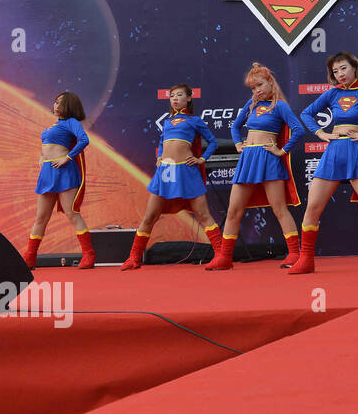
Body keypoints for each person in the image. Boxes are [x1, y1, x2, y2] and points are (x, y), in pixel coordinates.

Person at [296, 53, 358, 275]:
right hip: (333, 152)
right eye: (335, 71)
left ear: (354, 68)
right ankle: (306, 259)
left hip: (357, 152)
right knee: (312, 207)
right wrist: (321, 133)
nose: (339, 74)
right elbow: (306, 113)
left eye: (343, 69)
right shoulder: (332, 94)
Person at [209, 63, 306, 271]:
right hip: (248, 159)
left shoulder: (280, 106)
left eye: (259, 85)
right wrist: (237, 144)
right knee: (234, 210)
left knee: (279, 209)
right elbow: (235, 126)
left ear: (270, 83)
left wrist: (282, 150)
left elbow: (298, 130)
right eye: (253, 88)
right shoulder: (251, 104)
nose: (257, 91)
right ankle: (225, 257)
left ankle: (295, 253)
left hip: (269, 159)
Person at [122, 83, 220, 270]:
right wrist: (159, 157)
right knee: (150, 215)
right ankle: (134, 258)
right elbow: (161, 143)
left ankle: (222, 255)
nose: (174, 98)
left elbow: (213, 142)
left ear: (189, 98)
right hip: (166, 172)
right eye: (172, 95)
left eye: (179, 95)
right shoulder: (167, 122)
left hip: (187, 171)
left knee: (203, 215)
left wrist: (201, 159)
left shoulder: (195, 120)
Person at [24, 91, 93, 270]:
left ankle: (89, 255)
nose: (56, 106)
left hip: (64, 171)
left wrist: (67, 158)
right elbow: (48, 146)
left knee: (71, 213)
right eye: (55, 102)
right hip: (47, 172)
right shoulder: (54, 125)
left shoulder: (71, 122)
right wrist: (42, 156)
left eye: (60, 103)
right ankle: (30, 257)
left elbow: (84, 140)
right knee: (41, 217)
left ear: (69, 106)